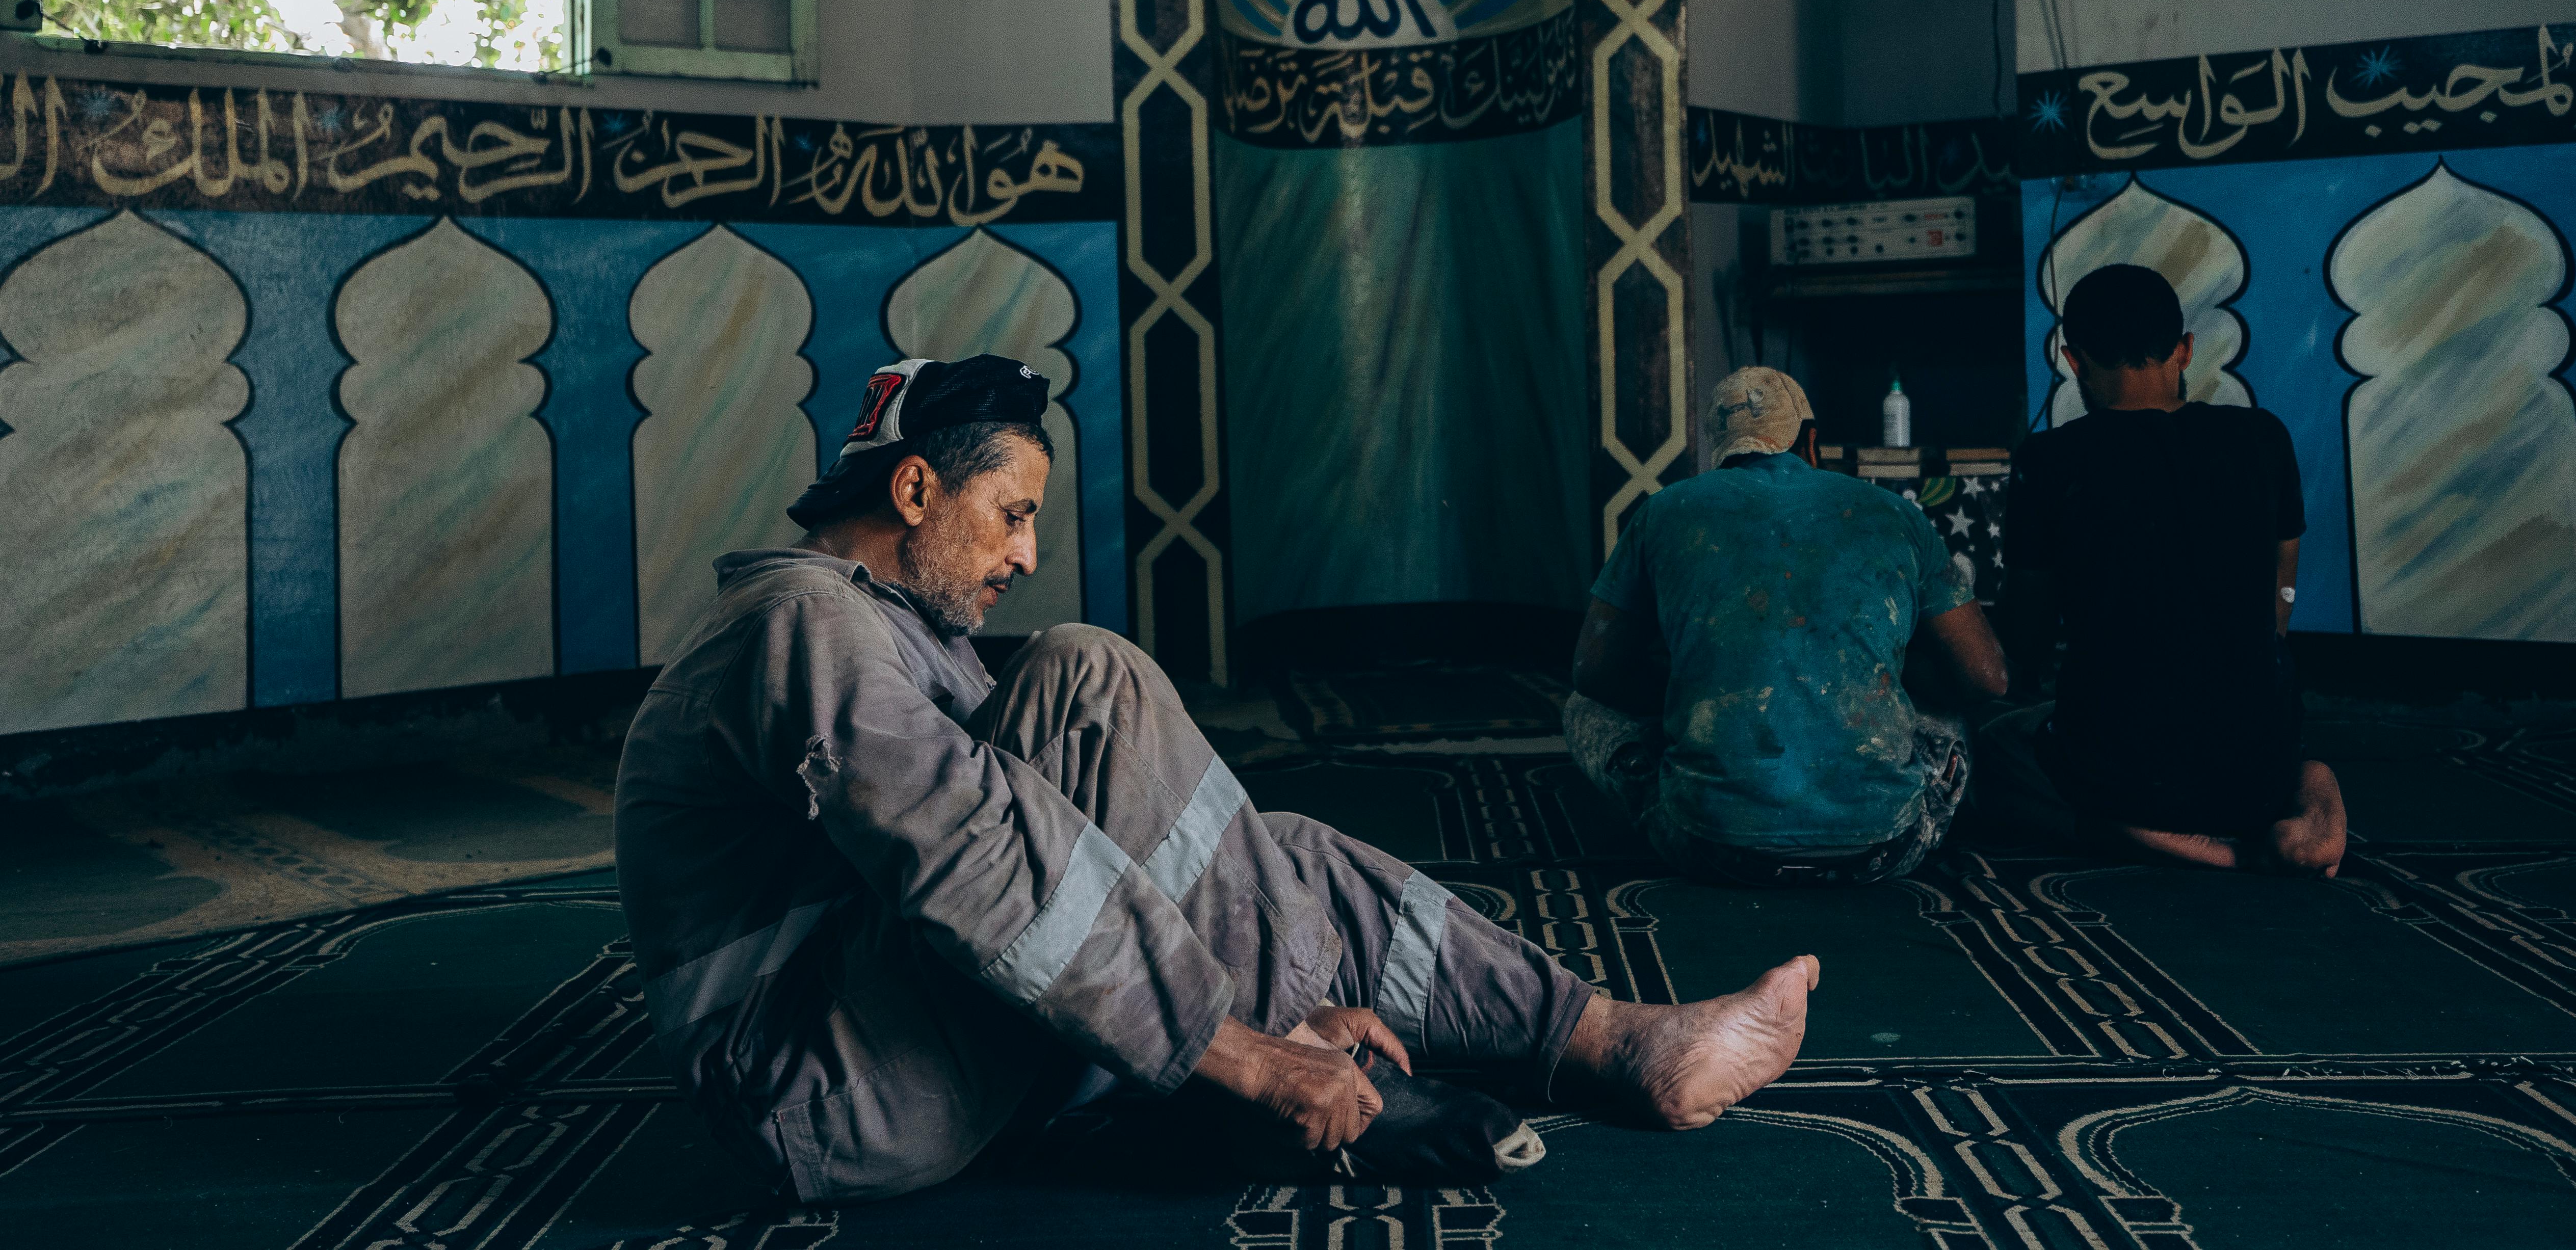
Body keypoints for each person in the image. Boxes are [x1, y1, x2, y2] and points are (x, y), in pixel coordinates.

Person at [615, 353, 1819, 1205]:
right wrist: (1254, 1051)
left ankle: (1603, 1039)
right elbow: (971, 860)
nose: (1027, 554)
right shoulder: (797, 623)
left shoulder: (883, 633)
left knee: (1274, 846)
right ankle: (1276, 1073)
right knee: (1088, 679)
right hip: (821, 1095)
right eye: (1011, 514)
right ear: (916, 489)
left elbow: (1069, 845)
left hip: (897, 1040)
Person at [1564, 366, 2008, 886]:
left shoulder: (1664, 512)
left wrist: (1692, 694)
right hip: (1884, 848)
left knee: (1582, 709)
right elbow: (1988, 679)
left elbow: (1593, 672)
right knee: (1953, 719)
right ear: (1811, 441)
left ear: (1720, 452)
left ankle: (1689, 788)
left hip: (1707, 848)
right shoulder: (1896, 514)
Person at [1997, 263, 2346, 875]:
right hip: (2256, 765)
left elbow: (2026, 635)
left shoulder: (2049, 460)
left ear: (2072, 360)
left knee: (1999, 750)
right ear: (2185, 350)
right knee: (2303, 761)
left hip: (2122, 774)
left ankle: (2182, 847)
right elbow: (2281, 590)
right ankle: (2308, 821)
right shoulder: (2263, 438)